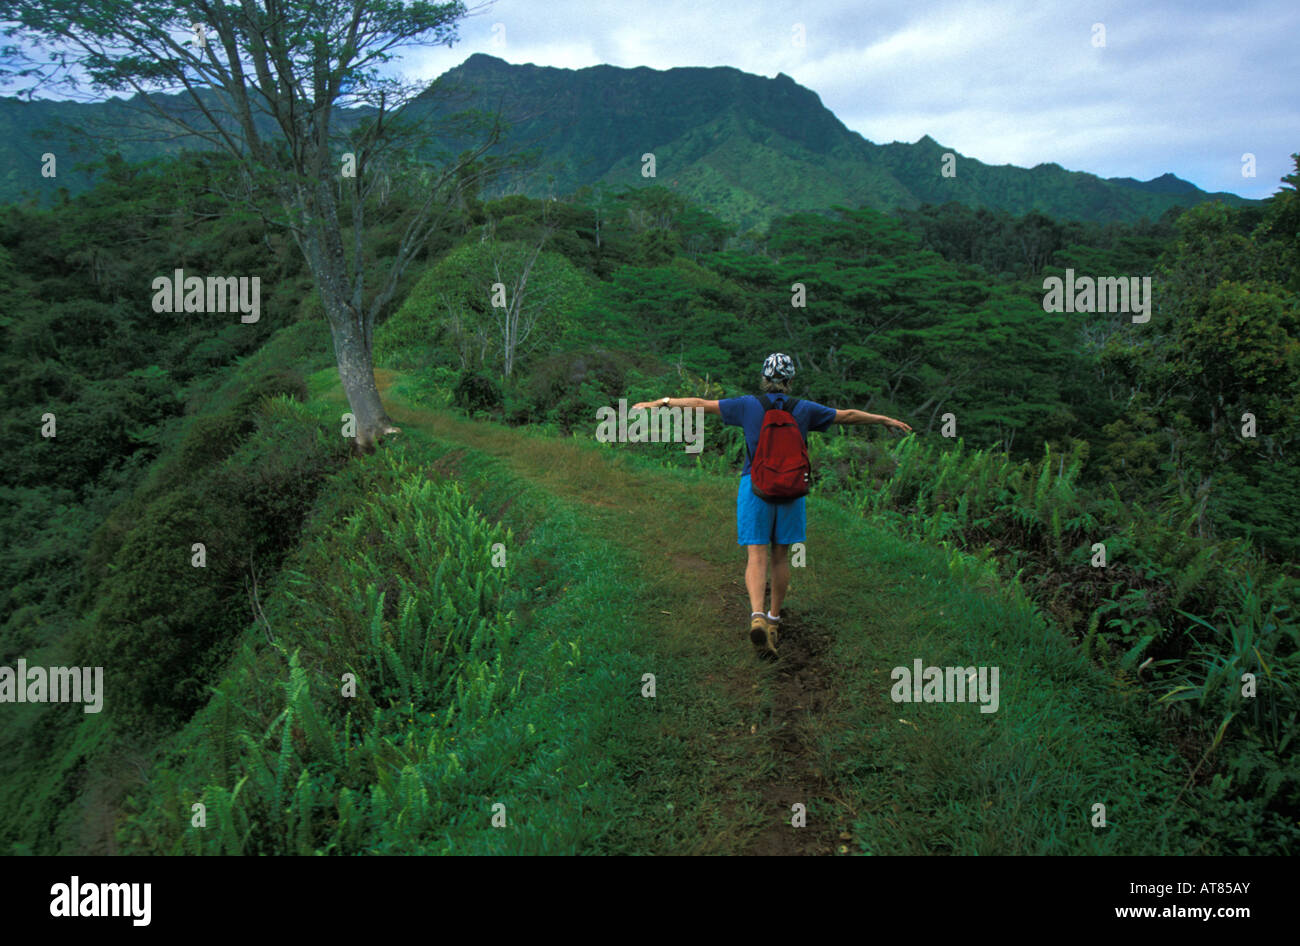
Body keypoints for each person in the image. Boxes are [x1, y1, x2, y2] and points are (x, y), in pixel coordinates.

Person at [633, 352, 912, 657]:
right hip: (791, 489)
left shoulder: (746, 405)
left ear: (764, 379)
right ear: (790, 381)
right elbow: (846, 416)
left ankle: (757, 616)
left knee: (757, 555)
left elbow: (700, 405)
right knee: (781, 557)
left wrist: (659, 403)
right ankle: (775, 620)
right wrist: (883, 419)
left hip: (755, 486)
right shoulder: (804, 409)